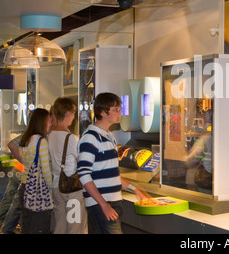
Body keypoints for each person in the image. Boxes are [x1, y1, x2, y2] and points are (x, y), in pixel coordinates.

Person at [77, 92, 149, 234]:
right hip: (102, 203)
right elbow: (84, 175)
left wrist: (134, 189)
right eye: (115, 109)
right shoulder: (90, 138)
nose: (120, 113)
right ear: (102, 112)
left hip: (113, 201)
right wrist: (103, 204)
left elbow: (111, 175)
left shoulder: (109, 136)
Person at [48, 97, 87, 234]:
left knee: (60, 225)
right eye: (74, 113)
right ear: (68, 114)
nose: (74, 117)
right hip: (71, 190)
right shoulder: (71, 139)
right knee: (75, 227)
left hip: (56, 187)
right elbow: (82, 162)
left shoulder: (49, 135)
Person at [18, 108, 53, 234]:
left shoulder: (26, 140)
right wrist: (51, 188)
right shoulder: (41, 142)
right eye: (49, 121)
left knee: (27, 225)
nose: (51, 124)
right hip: (38, 190)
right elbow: (46, 171)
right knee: (40, 226)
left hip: (25, 186)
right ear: (42, 122)